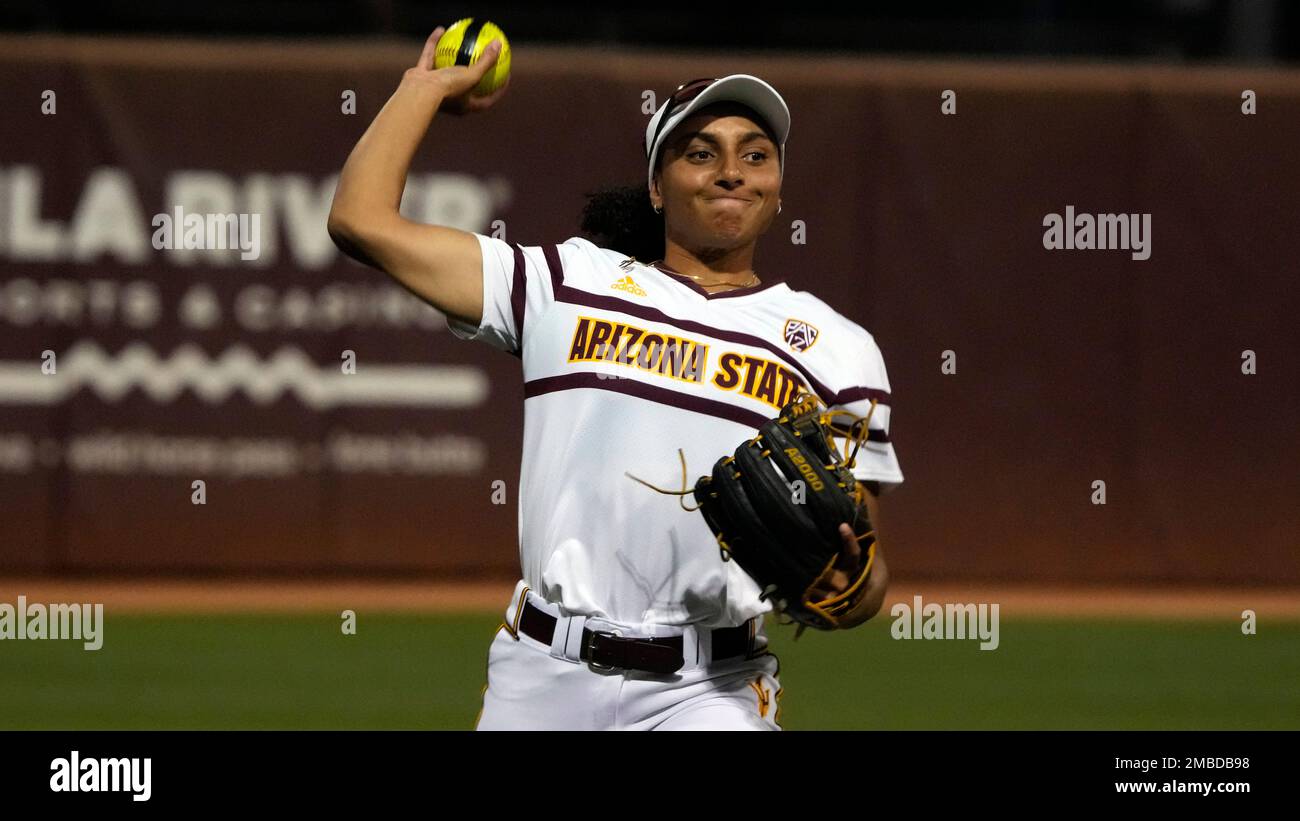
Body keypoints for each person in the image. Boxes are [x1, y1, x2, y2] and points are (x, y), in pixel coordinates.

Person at [327, 27, 904, 730]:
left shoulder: (838, 350)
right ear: (657, 187)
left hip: (708, 689)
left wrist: (852, 592)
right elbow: (360, 220)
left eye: (755, 156)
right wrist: (421, 90)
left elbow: (864, 565)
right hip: (543, 673)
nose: (732, 172)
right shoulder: (567, 282)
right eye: (701, 154)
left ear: (778, 189)